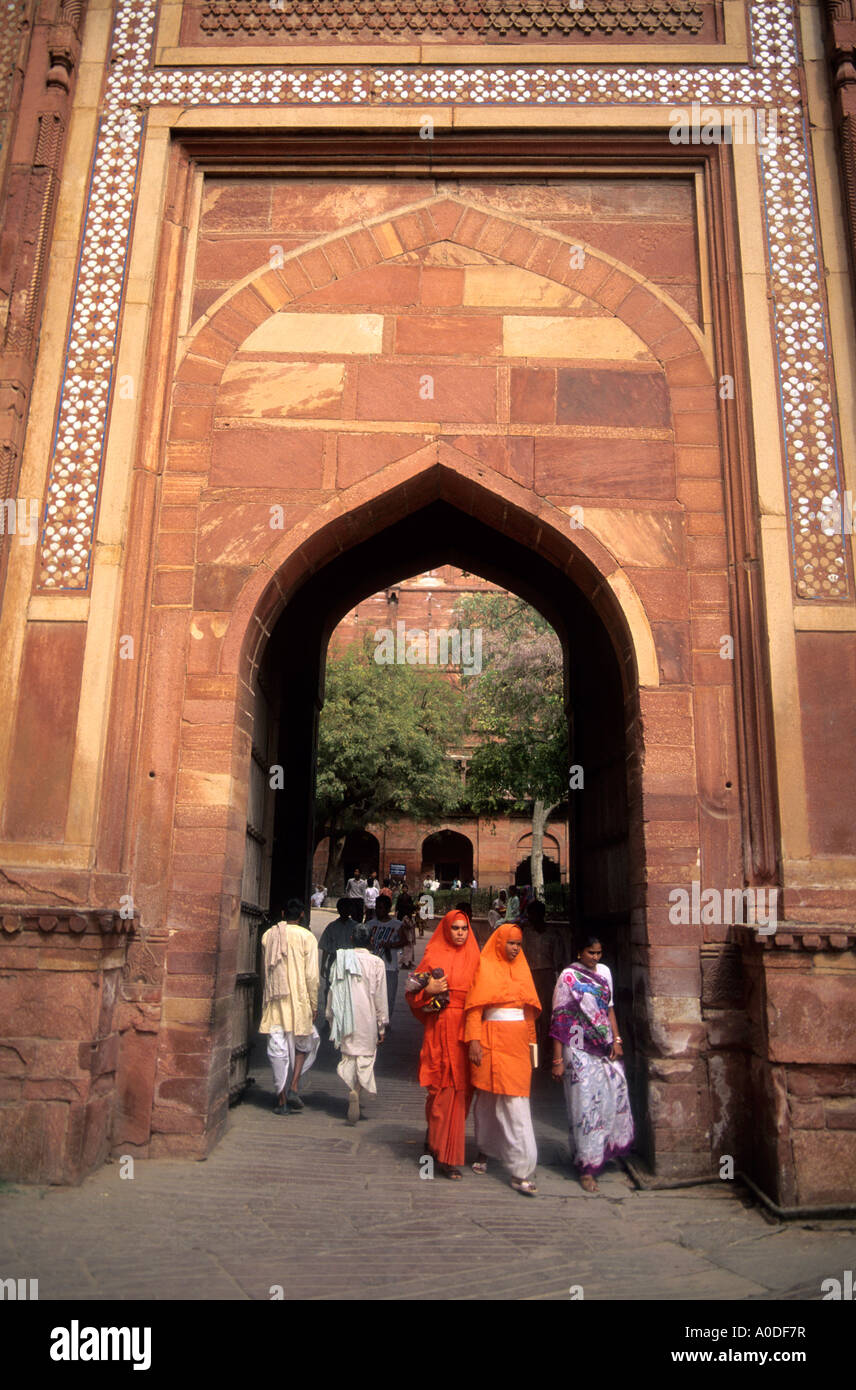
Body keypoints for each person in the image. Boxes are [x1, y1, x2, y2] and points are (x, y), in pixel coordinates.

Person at [550, 934, 634, 1194]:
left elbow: (609, 1009)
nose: (596, 958)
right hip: (577, 1049)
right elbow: (560, 1019)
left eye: (599, 953)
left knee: (613, 1097)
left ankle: (600, 1155)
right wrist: (557, 1061)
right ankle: (587, 1167)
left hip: (604, 1045)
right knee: (585, 1107)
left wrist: (617, 1039)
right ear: (579, 953)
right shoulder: (568, 978)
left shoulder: (605, 972)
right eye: (591, 953)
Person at [464, 923, 541, 1196]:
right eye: (511, 943)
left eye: (519, 944)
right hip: (488, 1041)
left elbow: (529, 1012)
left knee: (516, 1102)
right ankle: (485, 1150)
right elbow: (474, 1009)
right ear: (499, 943)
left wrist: (532, 1043)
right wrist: (473, 1041)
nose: (515, 948)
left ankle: (522, 1170)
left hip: (517, 1044)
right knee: (486, 1101)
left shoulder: (522, 968)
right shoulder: (484, 967)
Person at [406, 910, 481, 1180]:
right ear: (446, 930)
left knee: (461, 1092)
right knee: (440, 1091)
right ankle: (438, 1149)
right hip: (440, 1029)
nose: (460, 933)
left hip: (466, 1032)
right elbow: (412, 992)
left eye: (464, 928)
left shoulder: (476, 958)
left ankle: (446, 1152)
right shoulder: (433, 956)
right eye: (455, 928)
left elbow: (483, 998)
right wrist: (429, 991)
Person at [259, 898, 320, 1115]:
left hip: (276, 999)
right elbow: (312, 975)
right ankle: (294, 1086)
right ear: (302, 915)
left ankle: (282, 1098)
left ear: (283, 913)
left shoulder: (269, 935)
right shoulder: (307, 938)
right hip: (300, 1000)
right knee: (302, 1043)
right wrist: (314, 1004)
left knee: (277, 1049)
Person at [326, 922, 388, 1124]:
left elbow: (332, 991)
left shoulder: (340, 960)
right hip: (367, 1018)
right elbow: (380, 997)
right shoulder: (377, 963)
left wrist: (330, 1017)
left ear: (351, 940)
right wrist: (382, 1024)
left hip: (345, 1018)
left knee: (349, 1056)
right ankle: (357, 1090)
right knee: (365, 1058)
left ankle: (352, 1088)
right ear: (371, 941)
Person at [520, 898, 564, 1069]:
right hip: (528, 976)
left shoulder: (552, 934)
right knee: (529, 1014)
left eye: (538, 914)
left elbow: (559, 960)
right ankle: (528, 1049)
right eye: (532, 914)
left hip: (546, 976)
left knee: (546, 1015)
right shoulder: (525, 934)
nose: (535, 917)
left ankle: (546, 1051)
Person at [318, 897, 360, 1025]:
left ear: (350, 910)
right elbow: (325, 946)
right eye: (342, 908)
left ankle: (346, 1017)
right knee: (330, 988)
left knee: (349, 989)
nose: (344, 911)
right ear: (338, 910)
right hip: (334, 959)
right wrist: (323, 965)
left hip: (350, 961)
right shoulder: (331, 927)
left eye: (347, 908)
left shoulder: (356, 927)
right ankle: (329, 1016)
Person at [369, 894, 405, 1018]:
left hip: (389, 966)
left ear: (388, 909)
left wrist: (390, 945)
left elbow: (404, 941)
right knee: (372, 995)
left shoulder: (397, 924)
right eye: (377, 908)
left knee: (389, 996)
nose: (379, 911)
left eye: (382, 908)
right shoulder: (370, 924)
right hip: (372, 966)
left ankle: (386, 1020)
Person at [396, 891, 416, 968]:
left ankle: (409, 962)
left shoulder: (402, 913)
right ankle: (405, 962)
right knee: (407, 949)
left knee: (406, 949)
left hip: (405, 935)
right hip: (408, 935)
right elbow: (409, 925)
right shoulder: (407, 915)